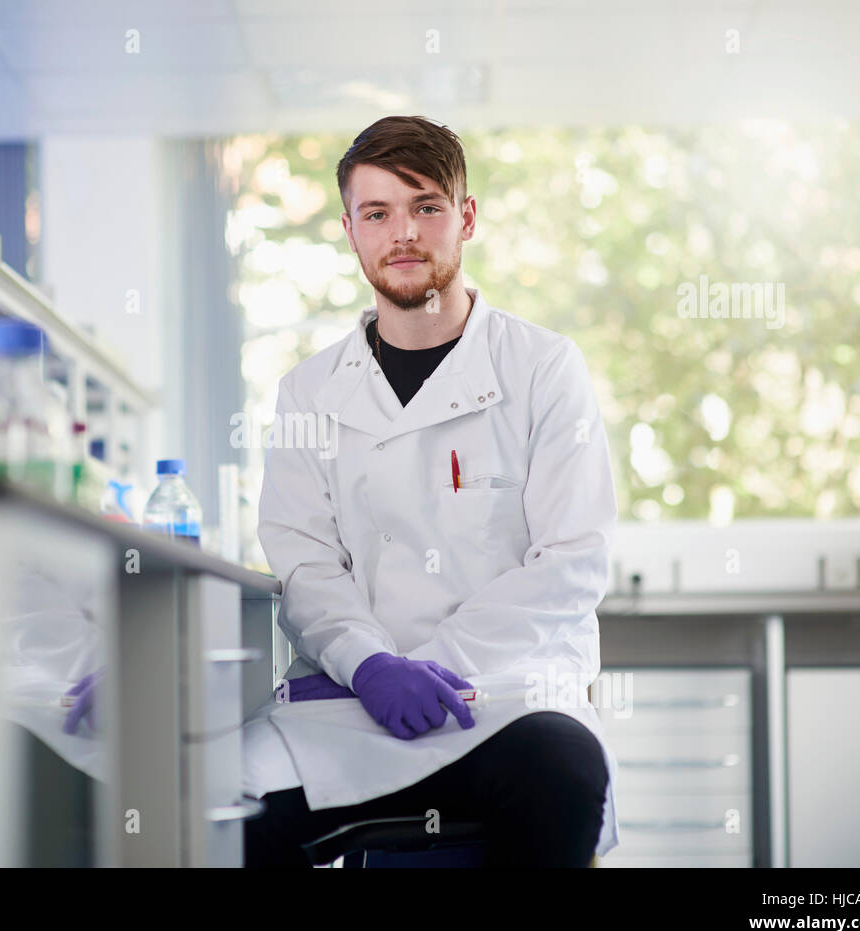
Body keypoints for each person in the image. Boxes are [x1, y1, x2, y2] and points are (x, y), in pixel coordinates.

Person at [243, 115, 620, 867]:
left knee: (565, 771)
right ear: (351, 232)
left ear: (466, 217)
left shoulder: (543, 368)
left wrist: (435, 664)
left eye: (426, 207)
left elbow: (571, 560)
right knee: (228, 804)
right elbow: (304, 562)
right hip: (354, 707)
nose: (402, 233)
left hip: (504, 703)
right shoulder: (308, 392)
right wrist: (372, 665)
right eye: (377, 213)